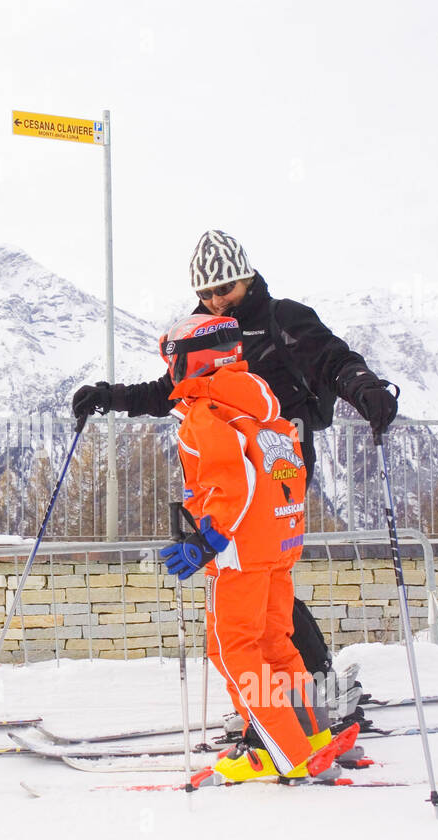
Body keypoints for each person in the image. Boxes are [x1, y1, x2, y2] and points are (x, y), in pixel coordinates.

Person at [73, 229, 396, 715]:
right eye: (205, 293)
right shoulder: (204, 328)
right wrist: (110, 396)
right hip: (230, 467)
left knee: (253, 575)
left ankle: (304, 696)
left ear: (246, 277)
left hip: (280, 461)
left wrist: (365, 387)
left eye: (225, 289)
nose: (216, 301)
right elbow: (172, 389)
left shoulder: (284, 319)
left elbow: (333, 360)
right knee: (256, 582)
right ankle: (292, 697)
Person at [155, 315, 355, 782]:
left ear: (193, 359)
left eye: (171, 357)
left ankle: (276, 751)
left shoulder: (205, 416)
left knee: (232, 650)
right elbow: (288, 476)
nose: (169, 369)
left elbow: (234, 484)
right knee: (275, 643)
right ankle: (312, 736)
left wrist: (207, 540)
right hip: (276, 550)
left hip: (237, 555)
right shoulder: (262, 412)